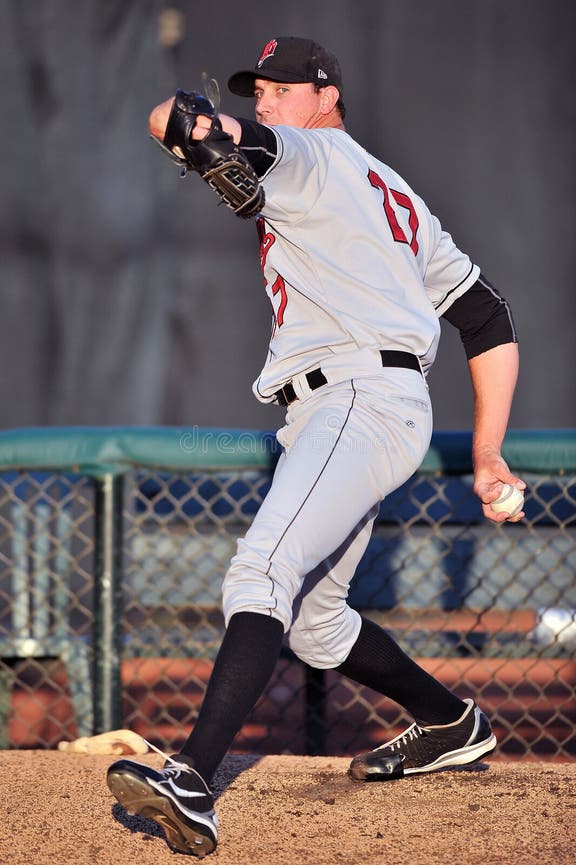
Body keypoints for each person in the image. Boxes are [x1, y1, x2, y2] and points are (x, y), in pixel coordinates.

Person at [106, 36, 524, 857]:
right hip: (367, 403)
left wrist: (200, 131)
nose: (265, 101)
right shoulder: (395, 190)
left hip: (356, 399)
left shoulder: (309, 153)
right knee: (317, 624)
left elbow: (173, 118)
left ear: (327, 95)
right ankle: (449, 721)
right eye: (255, 90)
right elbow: (487, 316)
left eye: (283, 87)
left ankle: (191, 779)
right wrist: (488, 451)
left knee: (260, 573)